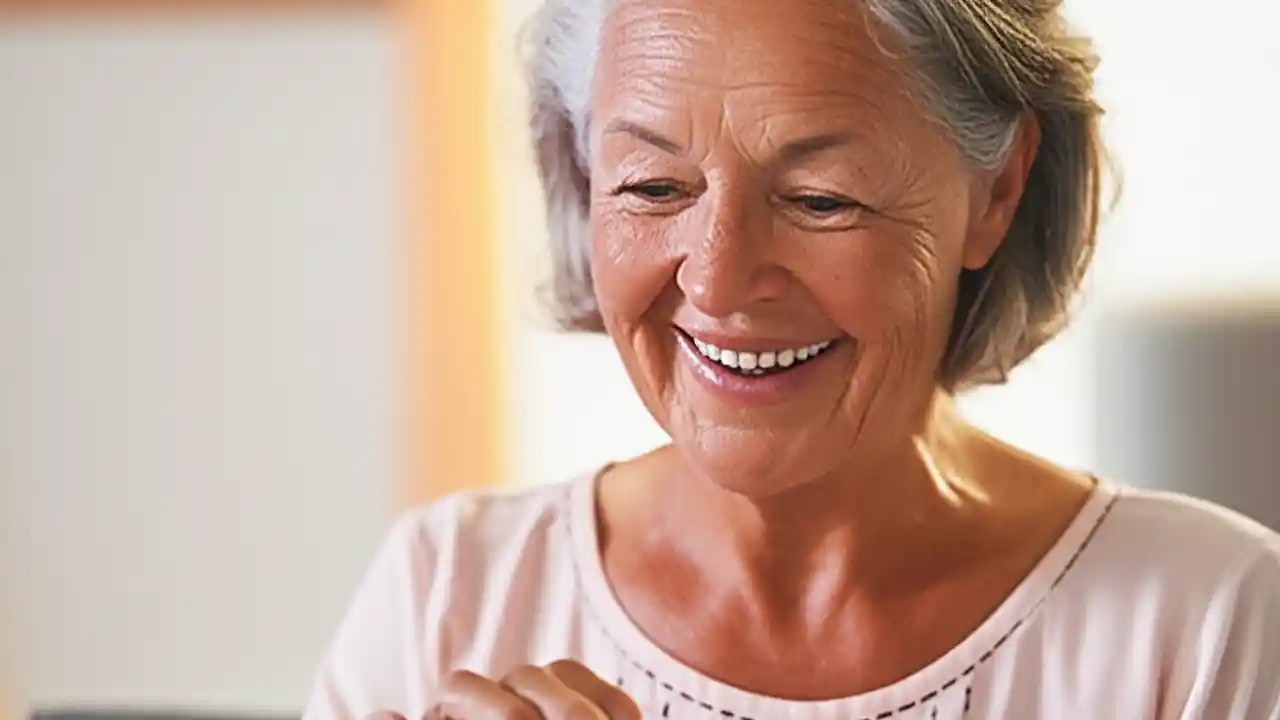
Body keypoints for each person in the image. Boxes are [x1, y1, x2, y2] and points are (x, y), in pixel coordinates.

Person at [306, 0, 1280, 717]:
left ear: (996, 191)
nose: (719, 283)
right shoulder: (448, 592)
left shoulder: (1203, 624)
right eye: (650, 186)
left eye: (820, 199)